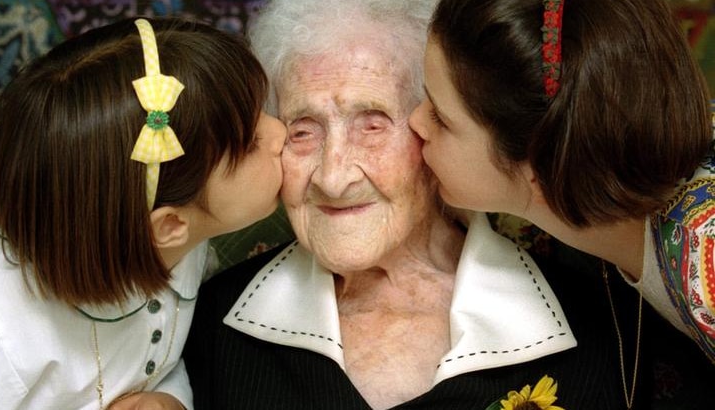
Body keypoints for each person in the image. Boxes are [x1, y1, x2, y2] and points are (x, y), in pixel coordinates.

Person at [182, 1, 646, 408]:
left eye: (373, 125)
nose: (333, 176)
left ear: (434, 129)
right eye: (303, 130)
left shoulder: (601, 322)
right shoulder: (207, 325)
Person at [0, 16, 285, 410]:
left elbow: (160, 357)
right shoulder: (3, 334)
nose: (281, 132)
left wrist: (168, 399)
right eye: (250, 143)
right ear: (171, 224)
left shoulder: (180, 246)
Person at [408, 0, 715, 365]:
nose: (415, 121)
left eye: (441, 119)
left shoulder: (704, 256)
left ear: (544, 167)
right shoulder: (579, 197)